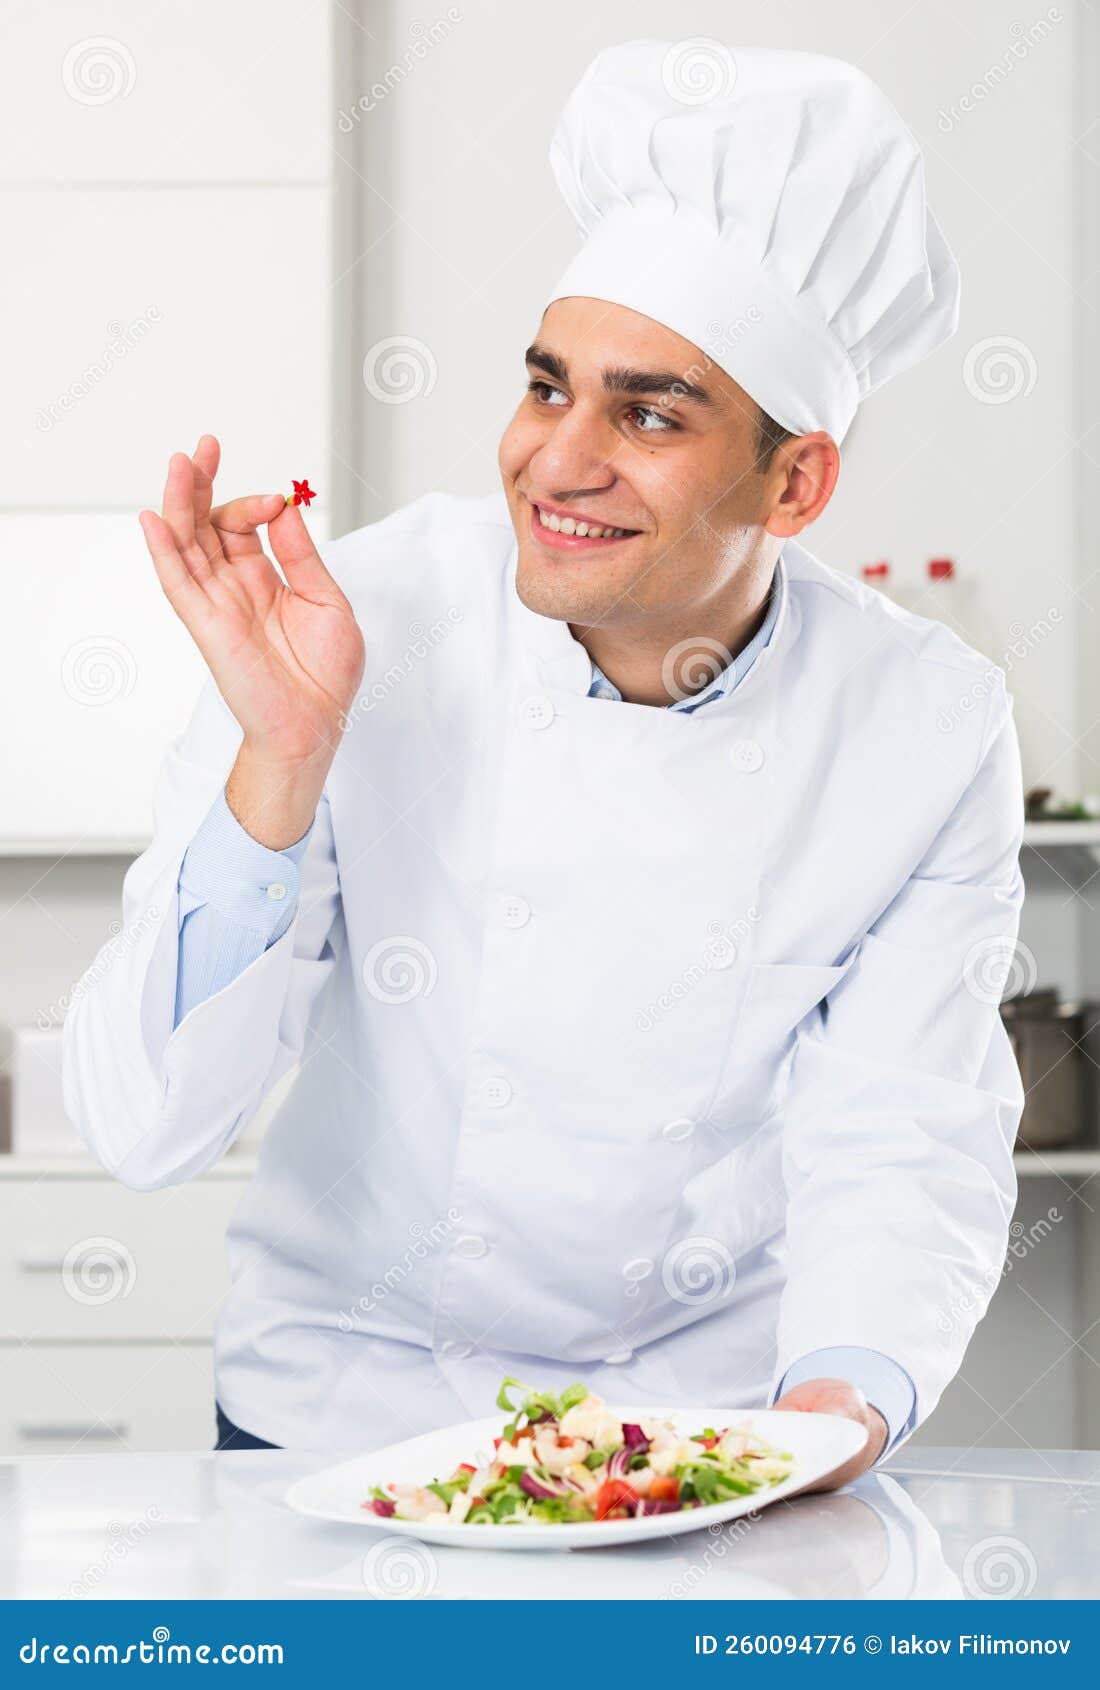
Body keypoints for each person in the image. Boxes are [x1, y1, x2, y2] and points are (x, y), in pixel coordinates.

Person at [63, 41, 1024, 1488]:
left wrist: (833, 1412)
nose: (555, 460)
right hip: (341, 1420)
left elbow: (904, 1131)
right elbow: (145, 1124)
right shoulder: (352, 626)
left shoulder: (925, 722)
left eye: (649, 412)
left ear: (797, 481)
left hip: (701, 1440)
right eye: (543, 385)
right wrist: (282, 761)